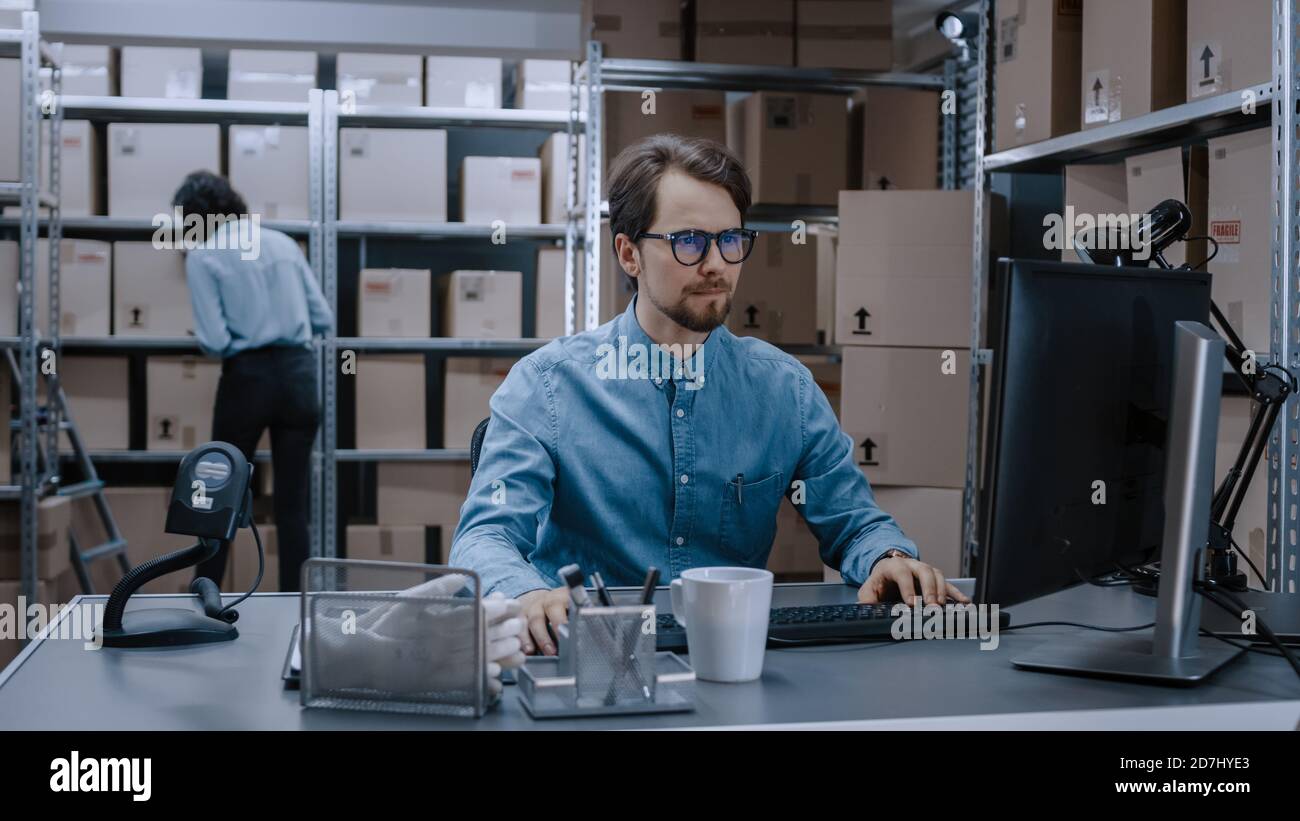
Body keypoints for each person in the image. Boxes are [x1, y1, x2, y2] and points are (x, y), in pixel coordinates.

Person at [450, 135, 968, 657]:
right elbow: (485, 537)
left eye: (731, 240)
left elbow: (853, 522)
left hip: (734, 659)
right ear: (629, 254)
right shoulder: (546, 386)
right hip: (593, 664)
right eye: (689, 242)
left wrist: (887, 557)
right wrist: (529, 592)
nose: (717, 264)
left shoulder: (784, 390)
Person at [173, 170, 333, 593]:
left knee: (218, 491)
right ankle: (300, 607)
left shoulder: (204, 256)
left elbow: (214, 340)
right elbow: (323, 319)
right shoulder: (282, 243)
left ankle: (205, 595)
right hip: (299, 377)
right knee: (292, 505)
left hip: (248, 380)